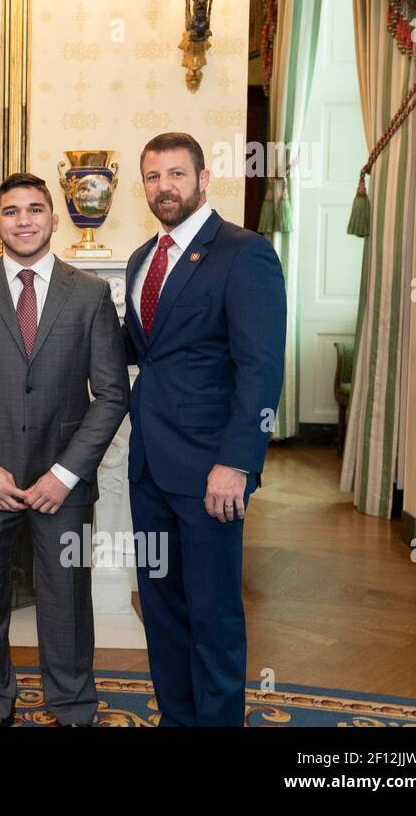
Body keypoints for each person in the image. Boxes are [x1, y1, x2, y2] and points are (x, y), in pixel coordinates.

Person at [0, 172, 128, 727]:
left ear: (53, 219)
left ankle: (71, 705)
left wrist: (64, 474)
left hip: (61, 482)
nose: (24, 220)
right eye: (12, 211)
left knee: (66, 601)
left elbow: (112, 394)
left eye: (35, 209)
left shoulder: (90, 294)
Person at [123, 132, 286, 726]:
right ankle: (178, 719)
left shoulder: (244, 253)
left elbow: (260, 368)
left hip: (211, 473)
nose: (163, 187)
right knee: (162, 610)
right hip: (149, 469)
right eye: (152, 177)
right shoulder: (144, 258)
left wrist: (236, 463)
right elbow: (145, 348)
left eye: (175, 174)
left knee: (212, 616)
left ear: (202, 178)